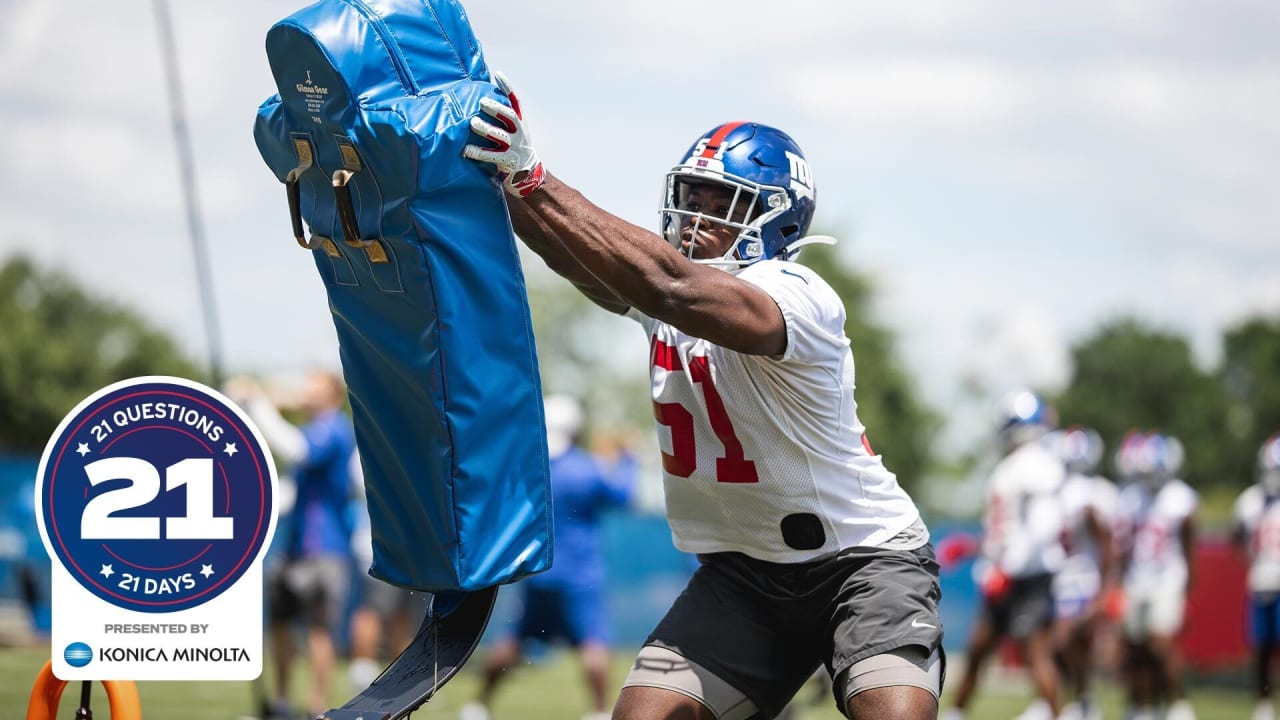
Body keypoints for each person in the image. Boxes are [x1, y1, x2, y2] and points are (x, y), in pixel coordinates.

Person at [463, 74, 944, 720]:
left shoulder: (796, 295)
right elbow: (579, 257)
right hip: (743, 577)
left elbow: (672, 287)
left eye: (720, 201)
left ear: (776, 218)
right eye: (690, 195)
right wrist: (496, 175)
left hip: (863, 562)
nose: (695, 216)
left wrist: (535, 178)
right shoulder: (669, 291)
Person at [460, 394, 635, 720]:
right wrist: (626, 459)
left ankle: (478, 704)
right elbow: (623, 496)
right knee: (594, 642)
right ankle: (598, 711)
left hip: (539, 571)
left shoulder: (531, 470)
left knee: (513, 641)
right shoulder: (586, 469)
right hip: (581, 573)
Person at [228, 371, 357, 719]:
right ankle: (283, 704)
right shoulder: (314, 427)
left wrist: (256, 404)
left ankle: (316, 708)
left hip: (326, 549)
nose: (304, 391)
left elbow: (295, 448)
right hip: (295, 547)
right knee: (282, 625)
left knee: (318, 630)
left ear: (332, 395)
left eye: (313, 386)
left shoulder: (333, 428)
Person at [944, 391, 1066, 720]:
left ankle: (1057, 714)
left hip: (1026, 576)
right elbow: (1007, 532)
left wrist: (1008, 568)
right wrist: (973, 548)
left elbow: (1041, 529)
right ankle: (956, 713)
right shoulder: (1015, 467)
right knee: (979, 649)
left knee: (1035, 650)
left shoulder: (1038, 465)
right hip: (1006, 573)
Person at [1113, 430, 1197, 720]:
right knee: (1136, 651)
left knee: (1161, 647)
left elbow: (1188, 545)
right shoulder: (1131, 498)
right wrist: (1118, 583)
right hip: (1137, 580)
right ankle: (1142, 708)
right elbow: (1124, 546)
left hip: (1168, 579)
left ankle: (1178, 706)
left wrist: (1188, 587)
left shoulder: (1181, 498)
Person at [1048, 427, 1118, 720]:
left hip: (1082, 578)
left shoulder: (1097, 492)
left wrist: (1106, 588)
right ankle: (1075, 702)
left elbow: (1107, 542)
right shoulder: (1054, 488)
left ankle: (1077, 701)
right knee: (1060, 645)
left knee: (1064, 640)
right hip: (1057, 575)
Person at [346, 451, 431, 693]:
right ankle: (363, 672)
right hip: (380, 544)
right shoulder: (366, 447)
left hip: (407, 545)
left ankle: (402, 677)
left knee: (402, 615)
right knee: (373, 609)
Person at [1232, 432, 1280, 720]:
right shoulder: (1251, 501)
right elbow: (1236, 537)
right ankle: (1262, 706)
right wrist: (1251, 564)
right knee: (1261, 648)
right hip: (1262, 583)